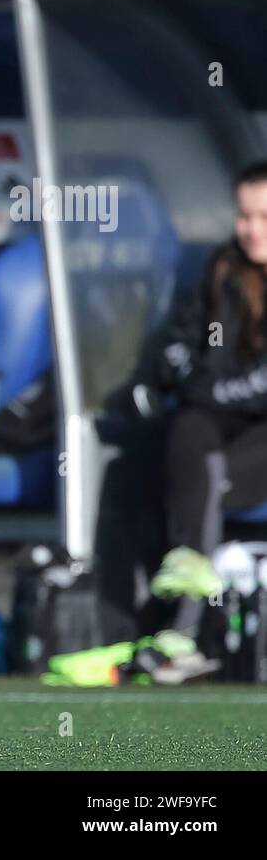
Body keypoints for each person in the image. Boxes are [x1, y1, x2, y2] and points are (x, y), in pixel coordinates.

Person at [121, 160, 267, 656]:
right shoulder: (223, 272)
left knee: (206, 471)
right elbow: (180, 349)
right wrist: (185, 379)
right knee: (189, 435)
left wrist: (205, 387)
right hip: (217, 425)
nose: (251, 231)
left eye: (264, 218)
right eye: (244, 217)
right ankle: (177, 622)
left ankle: (182, 631)